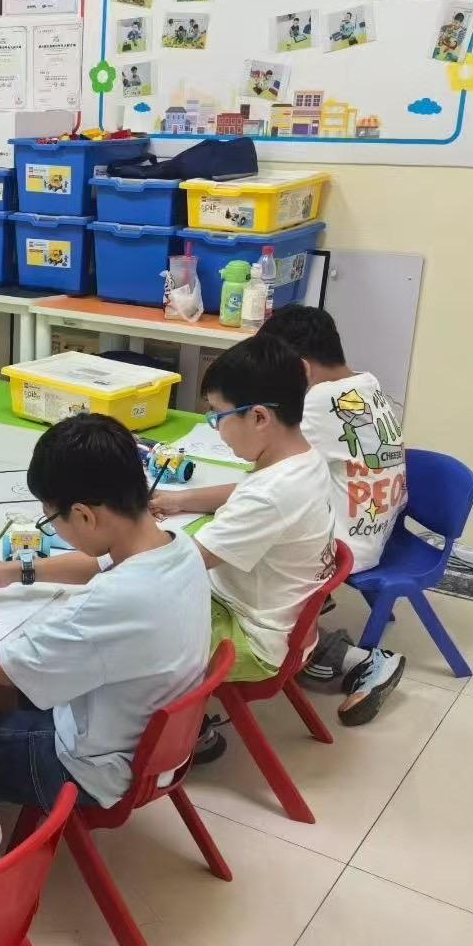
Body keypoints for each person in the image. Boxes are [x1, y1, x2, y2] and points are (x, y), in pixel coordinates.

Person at [0, 413, 215, 811]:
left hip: (85, 769)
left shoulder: (116, 599)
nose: (55, 529)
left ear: (84, 515)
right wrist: (17, 570)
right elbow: (97, 564)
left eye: (52, 520)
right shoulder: (177, 547)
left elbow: (7, 667)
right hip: (144, 745)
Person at [151, 335, 405, 727]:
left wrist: (122, 533)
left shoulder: (270, 494)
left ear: (258, 418)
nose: (217, 430)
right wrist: (182, 501)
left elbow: (176, 564)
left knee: (130, 636)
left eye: (218, 416)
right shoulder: (305, 458)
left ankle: (182, 733)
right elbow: (252, 499)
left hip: (251, 636)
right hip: (272, 615)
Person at [258, 306, 408, 724]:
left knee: (236, 568)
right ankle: (321, 643)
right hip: (376, 529)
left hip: (342, 546)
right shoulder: (366, 384)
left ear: (301, 369)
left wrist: (182, 500)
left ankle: (353, 658)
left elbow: (266, 480)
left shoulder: (317, 403)